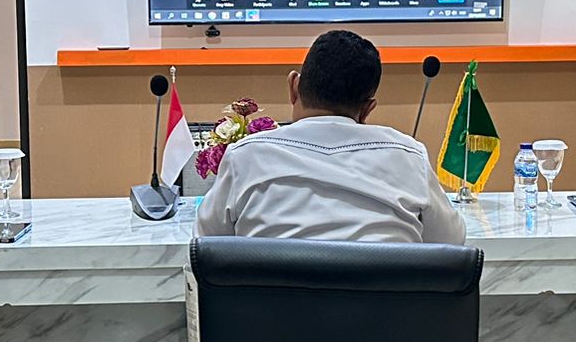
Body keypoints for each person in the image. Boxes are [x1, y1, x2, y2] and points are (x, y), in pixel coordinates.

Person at [194, 30, 466, 244]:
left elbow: (206, 248)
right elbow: (450, 242)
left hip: (268, 314)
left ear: (293, 86)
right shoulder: (409, 156)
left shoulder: (245, 157)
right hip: (383, 315)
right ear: (368, 109)